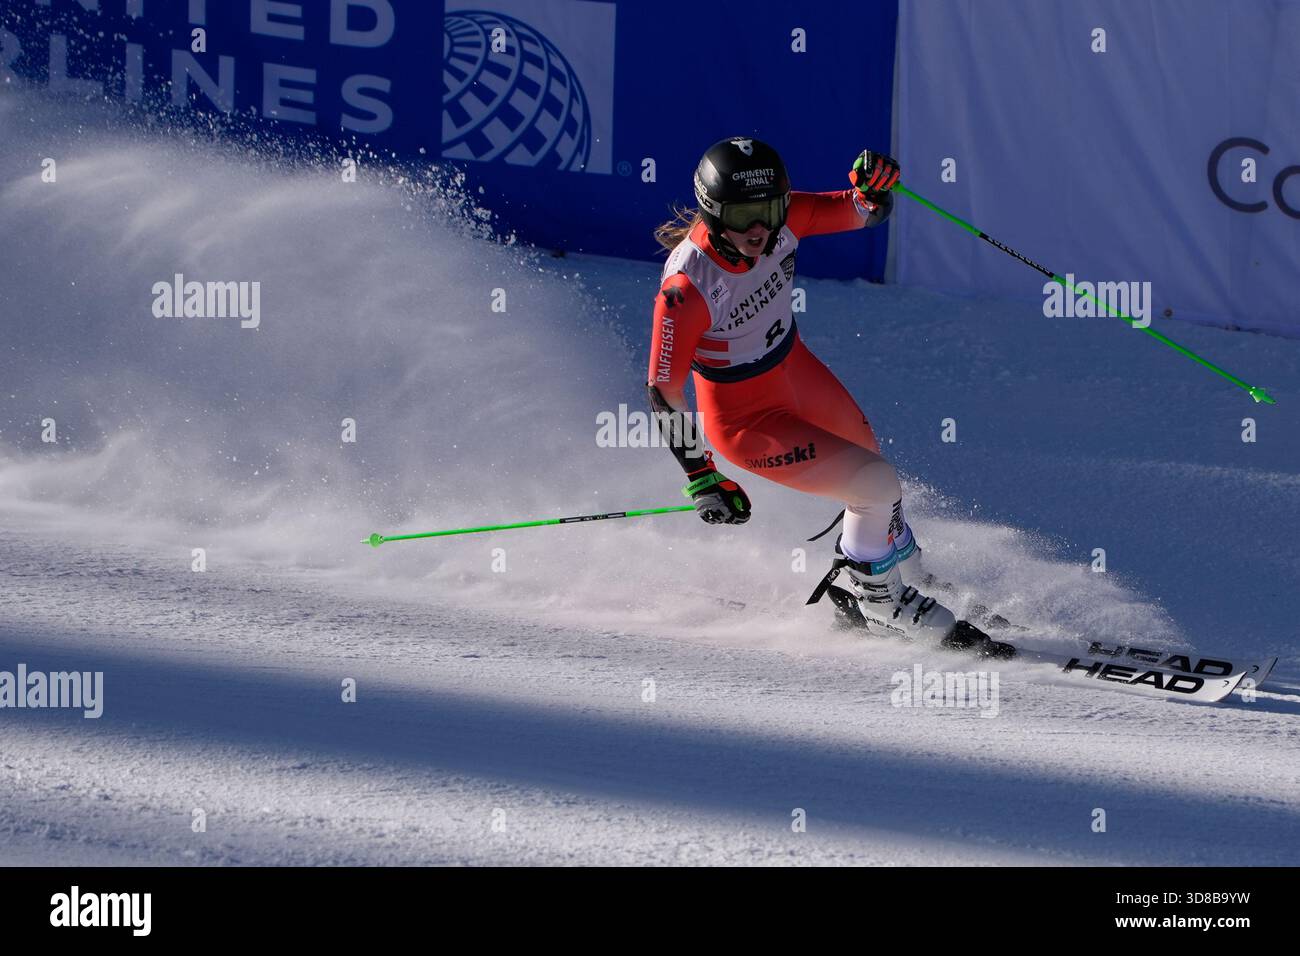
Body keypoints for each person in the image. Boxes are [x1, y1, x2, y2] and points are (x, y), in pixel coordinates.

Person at [646, 135, 975, 647]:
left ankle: (879, 555)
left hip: (795, 370)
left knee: (869, 459)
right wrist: (702, 476)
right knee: (874, 482)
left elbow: (863, 212)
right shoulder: (686, 288)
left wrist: (872, 187)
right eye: (741, 216)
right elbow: (663, 391)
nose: (758, 230)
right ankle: (878, 599)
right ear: (712, 214)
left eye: (769, 210)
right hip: (744, 419)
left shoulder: (785, 219)